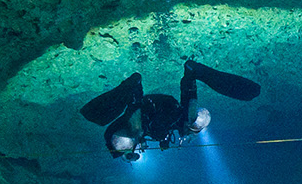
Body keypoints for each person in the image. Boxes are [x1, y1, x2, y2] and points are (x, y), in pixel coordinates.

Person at [80, 60, 262, 160]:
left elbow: (122, 135)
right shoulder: (173, 125)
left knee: (131, 133)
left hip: (145, 109)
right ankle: (191, 73)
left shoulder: (132, 132)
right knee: (192, 124)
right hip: (165, 112)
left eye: (131, 156)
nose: (135, 154)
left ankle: (135, 85)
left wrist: (136, 139)